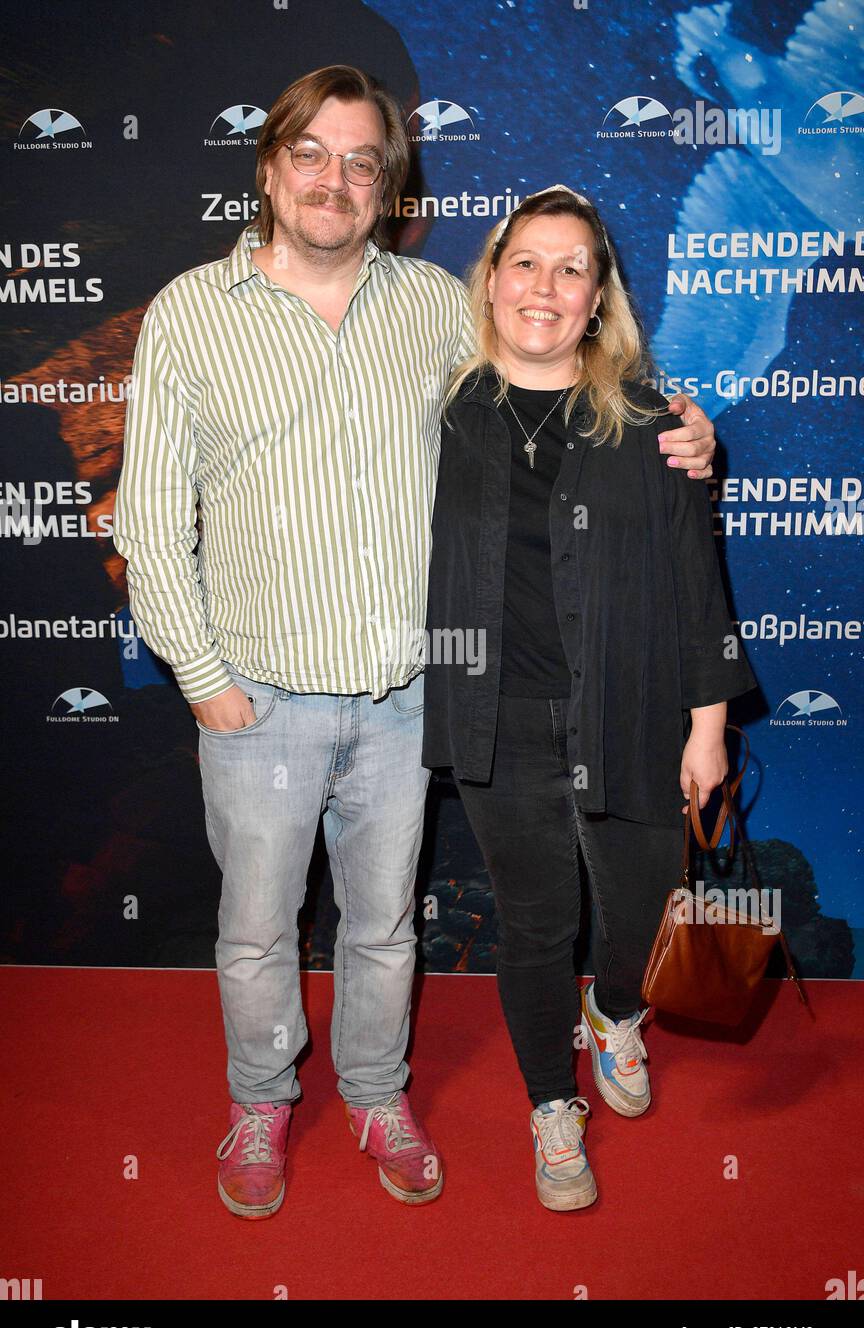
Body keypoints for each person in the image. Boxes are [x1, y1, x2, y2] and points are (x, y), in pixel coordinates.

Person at [113, 64, 719, 1220]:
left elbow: (561, 365)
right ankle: (259, 1099)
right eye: (313, 154)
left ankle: (380, 1094)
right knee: (255, 932)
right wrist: (204, 684)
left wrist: (683, 429)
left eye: (361, 159)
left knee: (387, 925)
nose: (335, 179)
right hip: (259, 697)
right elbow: (147, 518)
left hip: (409, 699)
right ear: (270, 165)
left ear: (391, 182)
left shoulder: (437, 303)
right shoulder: (193, 310)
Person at [422, 185, 757, 1211]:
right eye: (527, 261)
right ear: (492, 276)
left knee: (645, 906)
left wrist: (707, 728)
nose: (546, 286)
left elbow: (701, 587)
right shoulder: (443, 415)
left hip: (632, 706)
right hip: (500, 718)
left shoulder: (655, 424)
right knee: (532, 922)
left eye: (573, 268)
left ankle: (616, 1013)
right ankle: (548, 1106)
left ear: (599, 295)